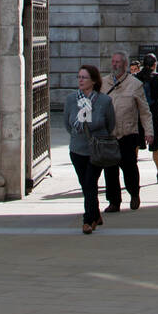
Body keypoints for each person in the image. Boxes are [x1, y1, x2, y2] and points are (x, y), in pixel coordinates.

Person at [64, 64, 115, 234]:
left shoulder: (104, 101)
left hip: (96, 149)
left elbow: (110, 124)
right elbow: (67, 123)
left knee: (90, 183)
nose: (80, 80)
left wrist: (97, 135)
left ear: (93, 81)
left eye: (84, 77)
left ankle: (88, 220)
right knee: (85, 185)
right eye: (79, 77)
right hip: (77, 149)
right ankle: (96, 214)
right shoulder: (71, 99)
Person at [101, 49, 153, 212]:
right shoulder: (103, 83)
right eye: (113, 61)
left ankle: (134, 194)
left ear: (125, 64)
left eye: (118, 62)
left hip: (128, 133)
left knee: (129, 167)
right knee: (110, 169)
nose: (115, 64)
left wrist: (149, 131)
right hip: (109, 134)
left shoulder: (135, 84)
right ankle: (114, 201)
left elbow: (144, 111)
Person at [137, 53, 158, 183]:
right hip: (153, 116)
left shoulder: (135, 78)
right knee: (156, 146)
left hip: (138, 117)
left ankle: (133, 175)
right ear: (155, 64)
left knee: (135, 146)